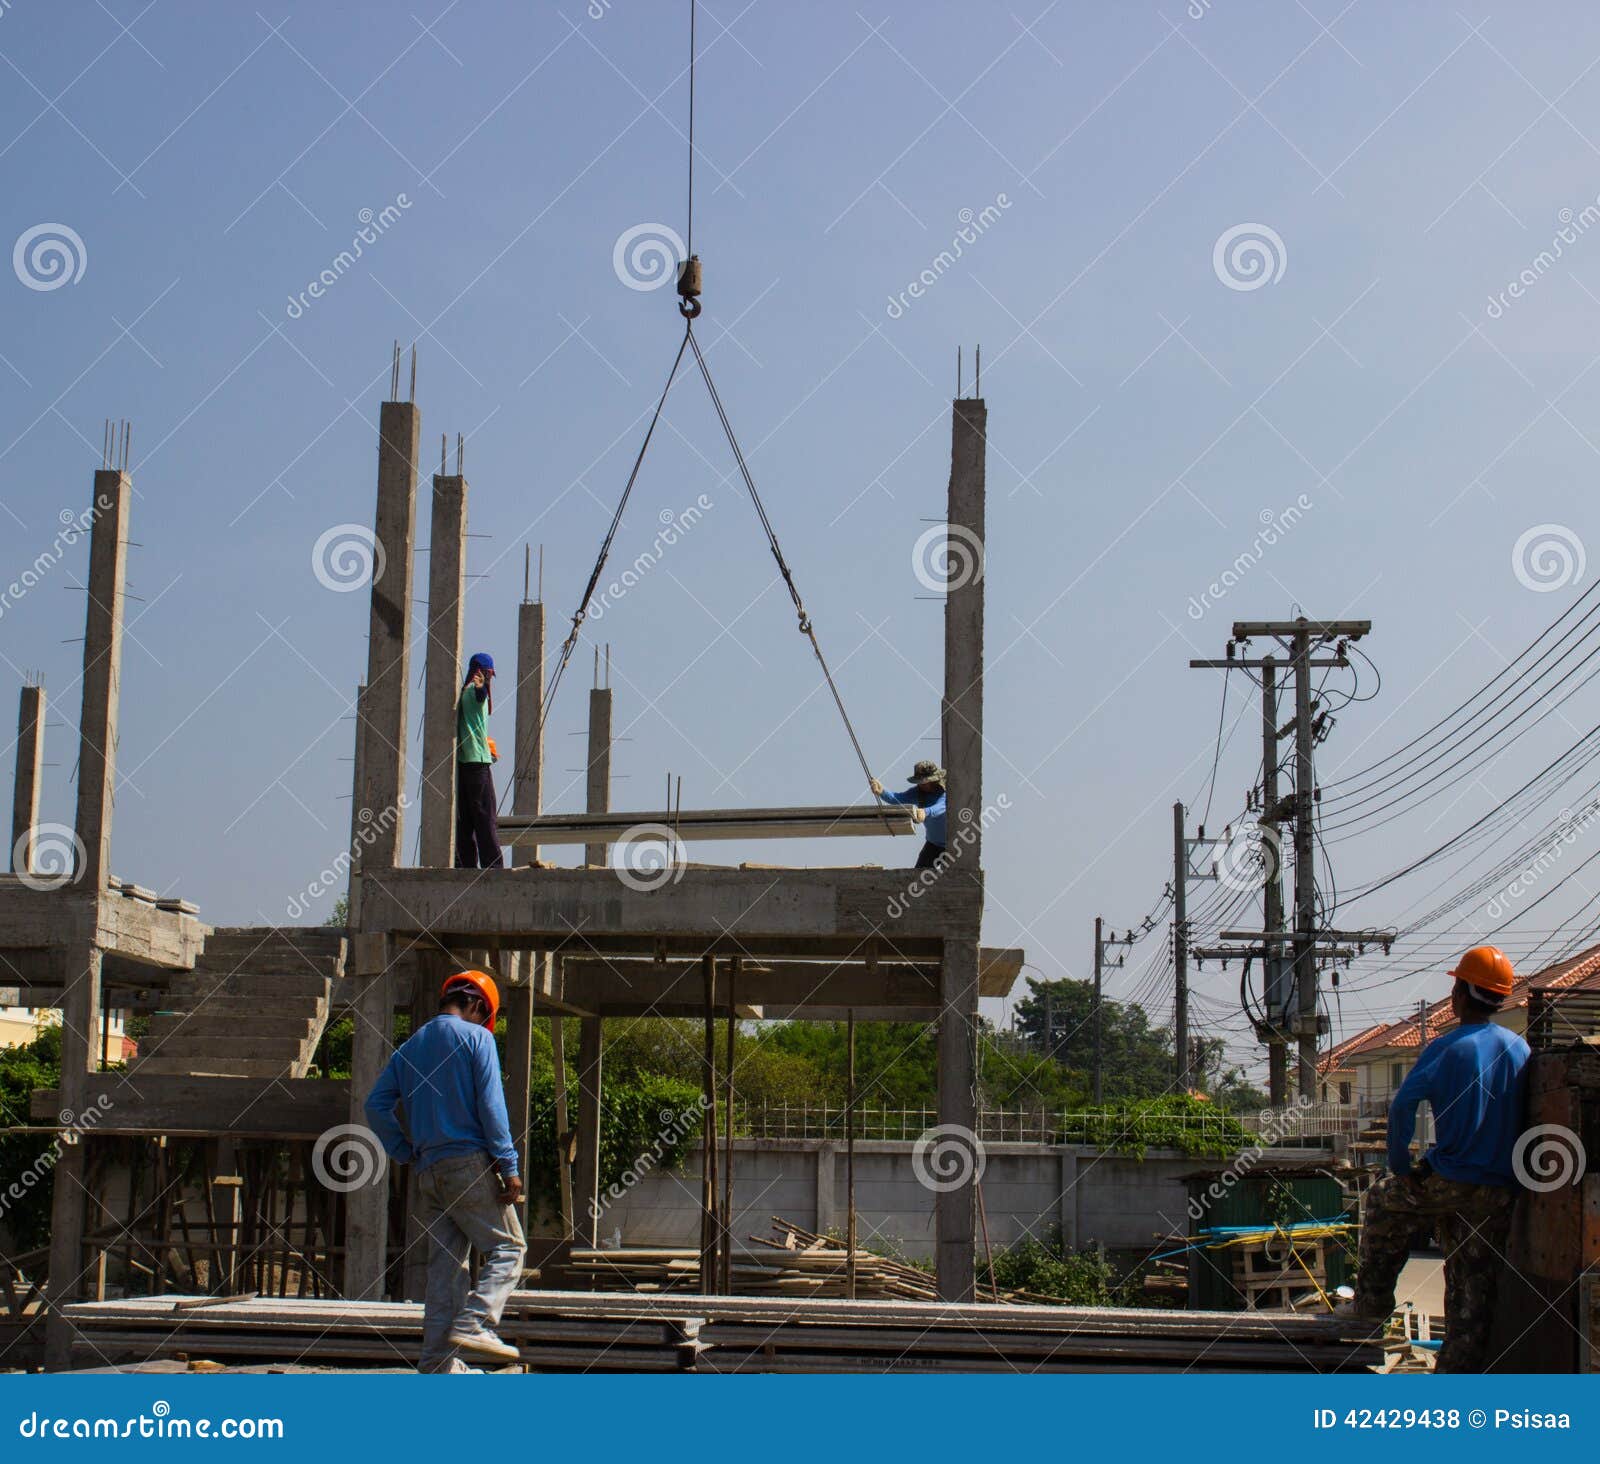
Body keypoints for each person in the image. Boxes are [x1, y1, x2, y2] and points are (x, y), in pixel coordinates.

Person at [1340, 946, 1529, 1372]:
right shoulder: (1519, 1050)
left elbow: (1405, 1105)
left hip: (1451, 1177)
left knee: (1382, 1201)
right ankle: (1456, 1380)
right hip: (1498, 1189)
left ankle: (1370, 1307)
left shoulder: (1446, 1047)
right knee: (1471, 1286)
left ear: (1462, 993)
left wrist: (1402, 1169)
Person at [364, 970, 526, 1372]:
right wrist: (509, 1167)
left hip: (429, 1173)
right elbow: (492, 1109)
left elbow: (375, 1106)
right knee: (509, 1248)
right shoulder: (477, 1038)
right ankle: (477, 1322)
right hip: (467, 1167)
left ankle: (437, 1366)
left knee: (447, 1271)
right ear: (475, 1006)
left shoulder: (408, 1049)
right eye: (482, 1015)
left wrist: (404, 1151)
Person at [456, 651, 503, 869]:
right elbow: (481, 694)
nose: (491, 679)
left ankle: (465, 866)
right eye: (489, 674)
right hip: (478, 765)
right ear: (481, 672)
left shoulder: (464, 694)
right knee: (486, 818)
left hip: (467, 763)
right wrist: (481, 686)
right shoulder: (474, 693)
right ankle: (493, 868)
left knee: (466, 821)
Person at [870, 760, 947, 870]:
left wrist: (925, 812)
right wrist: (882, 791)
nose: (922, 785)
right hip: (933, 844)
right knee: (918, 874)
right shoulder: (918, 792)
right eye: (920, 782)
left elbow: (942, 807)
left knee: (952, 877)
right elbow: (898, 799)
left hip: (953, 844)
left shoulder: (945, 790)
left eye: (925, 782)